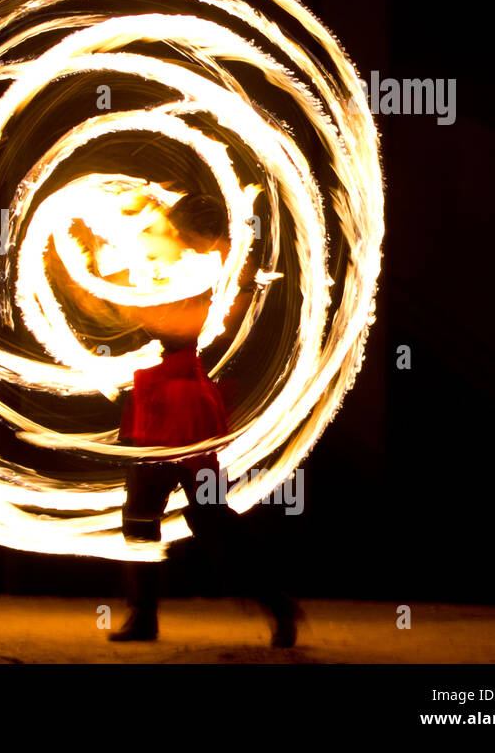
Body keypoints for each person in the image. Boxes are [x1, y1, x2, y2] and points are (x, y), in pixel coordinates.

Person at [48, 185, 300, 645]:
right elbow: (125, 307)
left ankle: (272, 602)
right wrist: (84, 274)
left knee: (196, 515)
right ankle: (148, 615)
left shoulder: (196, 276)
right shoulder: (168, 269)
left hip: (180, 407)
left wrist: (96, 277)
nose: (156, 232)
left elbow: (163, 321)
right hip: (158, 400)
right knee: (154, 515)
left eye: (169, 227)